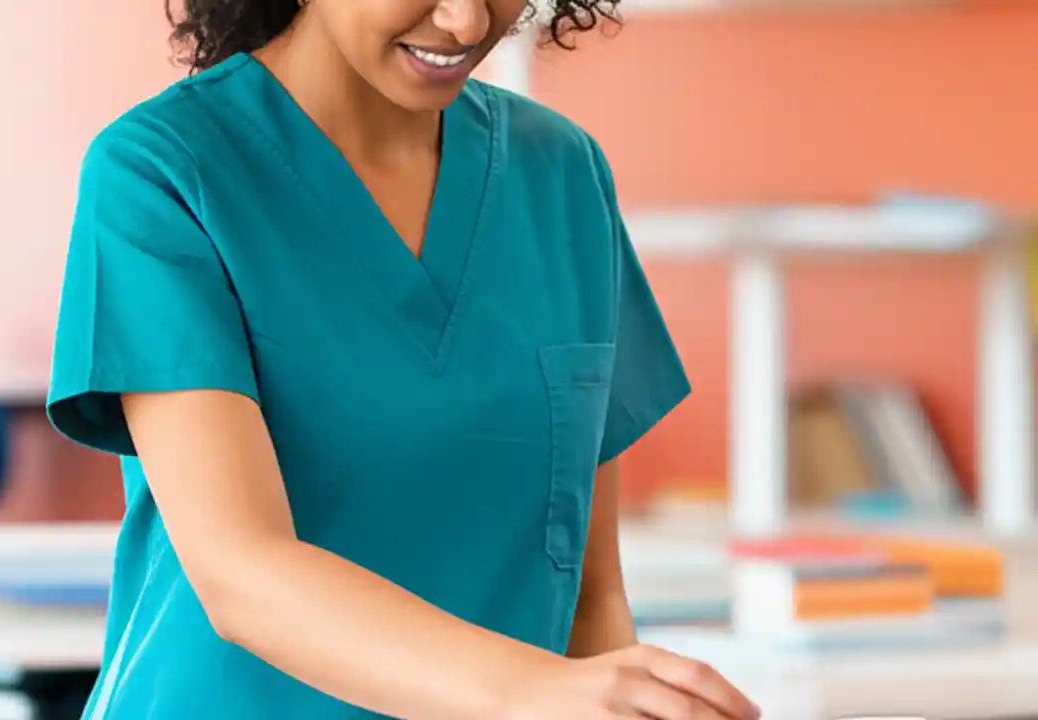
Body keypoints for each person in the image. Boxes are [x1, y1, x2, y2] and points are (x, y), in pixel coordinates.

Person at [47, 0, 758, 718]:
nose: (465, 22)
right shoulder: (162, 170)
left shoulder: (562, 174)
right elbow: (241, 572)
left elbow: (591, 597)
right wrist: (532, 692)